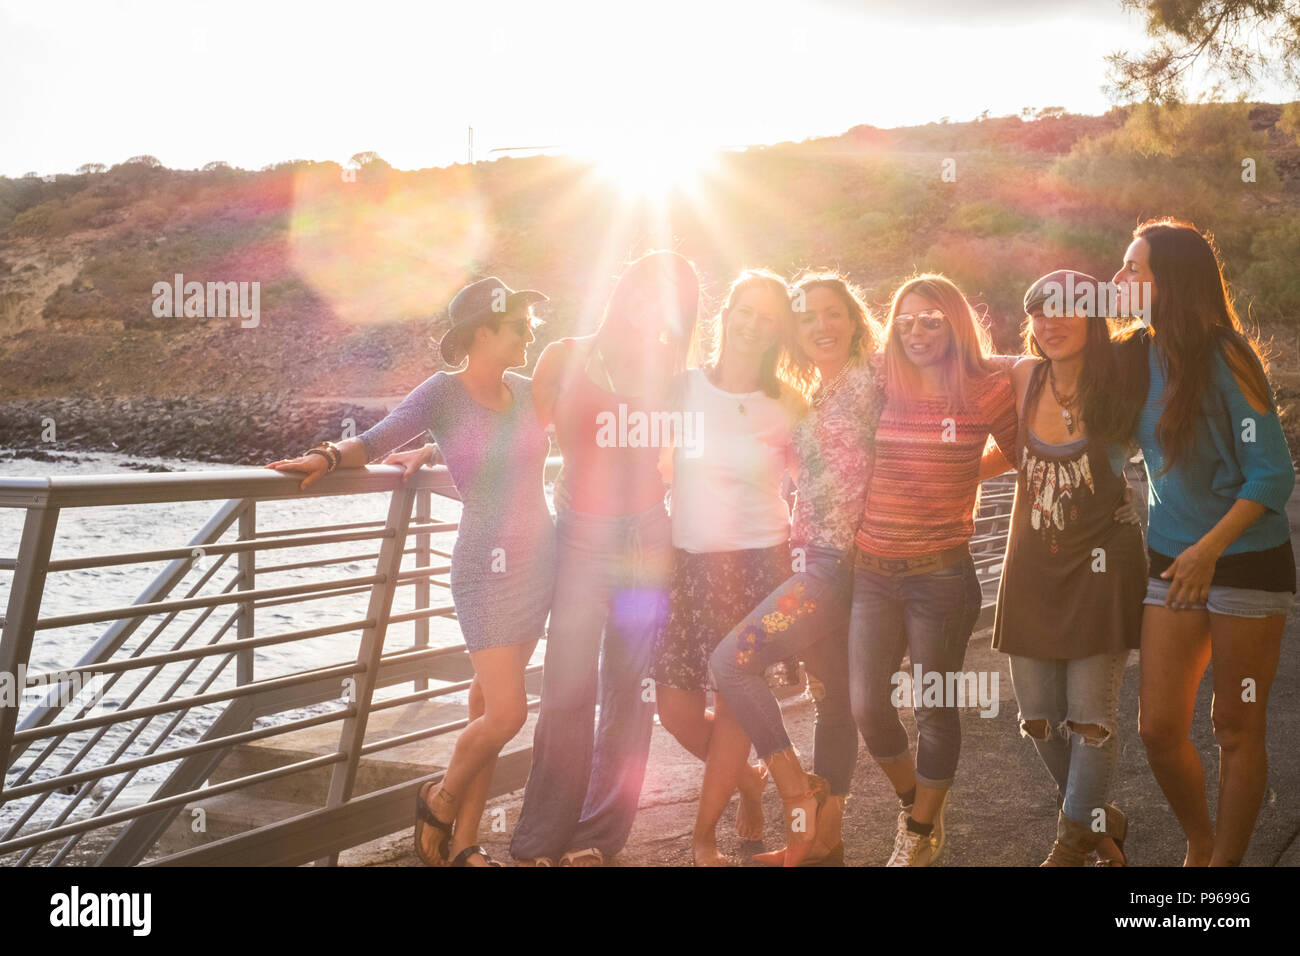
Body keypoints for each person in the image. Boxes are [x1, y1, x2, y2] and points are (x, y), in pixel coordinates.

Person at [266, 276, 554, 867]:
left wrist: (433, 452)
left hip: (538, 565)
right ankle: (438, 800)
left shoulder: (530, 392)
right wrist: (324, 456)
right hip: (486, 571)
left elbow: (529, 449)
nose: (532, 334)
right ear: (484, 332)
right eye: (521, 326)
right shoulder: (441, 395)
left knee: (485, 711)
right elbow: (372, 443)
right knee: (507, 713)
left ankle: (467, 846)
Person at [1113, 218, 1296, 867]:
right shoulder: (1135, 353)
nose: (1120, 279)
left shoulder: (1228, 355)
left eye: (1134, 267)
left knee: (1235, 725)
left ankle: (1223, 874)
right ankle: (1200, 837)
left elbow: (1273, 473)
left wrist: (1209, 549)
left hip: (1245, 561)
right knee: (1159, 729)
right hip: (1172, 559)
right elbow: (1104, 441)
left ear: (1172, 280)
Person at [508, 251, 699, 866]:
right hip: (582, 538)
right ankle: (541, 840)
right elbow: (517, 438)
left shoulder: (671, 367)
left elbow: (697, 449)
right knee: (566, 688)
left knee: (630, 690)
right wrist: (425, 452)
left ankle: (600, 834)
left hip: (649, 538)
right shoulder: (565, 355)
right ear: (625, 289)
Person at [709, 272, 880, 867]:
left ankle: (790, 782)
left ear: (855, 321)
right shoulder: (815, 393)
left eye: (834, 314)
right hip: (809, 556)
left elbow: (960, 382)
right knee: (834, 699)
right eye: (806, 317)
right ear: (794, 332)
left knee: (730, 662)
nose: (820, 326)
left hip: (832, 567)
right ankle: (825, 842)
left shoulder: (874, 378)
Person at [848, 273, 1017, 867]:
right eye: (905, 319)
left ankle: (920, 834)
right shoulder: (875, 377)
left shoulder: (985, 387)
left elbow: (1024, 453)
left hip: (940, 576)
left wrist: (967, 468)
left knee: (933, 704)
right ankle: (915, 802)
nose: (915, 331)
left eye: (931, 320)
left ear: (955, 323)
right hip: (869, 570)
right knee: (866, 704)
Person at [986, 270, 1146, 866]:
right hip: (1029, 571)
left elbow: (1175, 322)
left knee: (1090, 723)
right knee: (1038, 720)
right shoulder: (1023, 377)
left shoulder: (1127, 377)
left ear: (1095, 315)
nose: (1050, 322)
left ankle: (1069, 848)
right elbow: (945, 359)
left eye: (1067, 309)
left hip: (1104, 569)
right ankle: (1098, 819)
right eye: (1039, 311)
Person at [651, 269, 806, 866]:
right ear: (727, 313)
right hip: (688, 567)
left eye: (767, 317)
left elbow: (817, 486)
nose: (752, 323)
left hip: (758, 567)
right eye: (744, 309)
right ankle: (747, 780)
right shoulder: (680, 387)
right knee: (676, 710)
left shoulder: (788, 403)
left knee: (738, 698)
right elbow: (609, 429)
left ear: (778, 332)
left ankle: (703, 836)